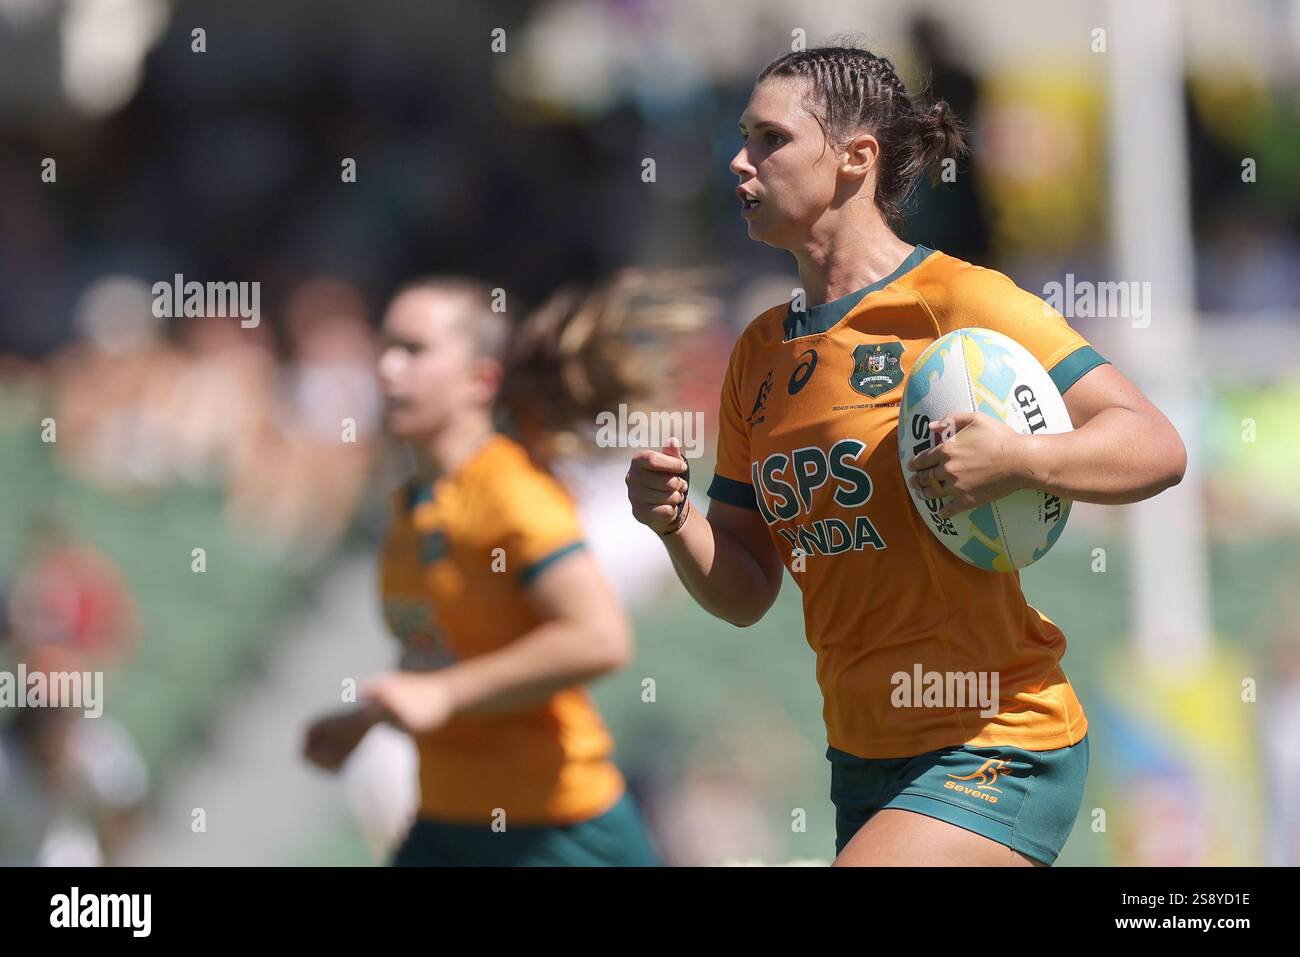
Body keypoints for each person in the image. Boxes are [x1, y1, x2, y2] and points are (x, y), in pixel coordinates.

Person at [626, 43, 1187, 867]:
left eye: (771, 140)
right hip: (863, 761)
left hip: (995, 738)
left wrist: (1021, 460)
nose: (740, 162)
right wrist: (674, 522)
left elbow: (1155, 445)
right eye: (742, 137)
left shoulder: (959, 300)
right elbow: (744, 588)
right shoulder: (758, 355)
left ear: (856, 158)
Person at [305, 271, 709, 866]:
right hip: (446, 822)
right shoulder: (411, 501)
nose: (388, 368)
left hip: (553, 833)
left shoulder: (509, 493)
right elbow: (438, 648)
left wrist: (442, 693)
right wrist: (367, 720)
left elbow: (599, 638)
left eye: (413, 350)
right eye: (386, 346)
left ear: (480, 380)